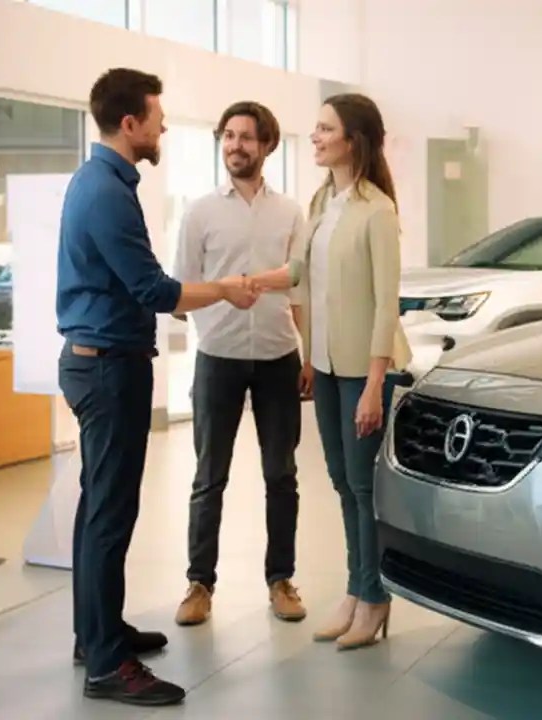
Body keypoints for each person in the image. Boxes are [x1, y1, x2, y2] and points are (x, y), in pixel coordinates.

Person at [57, 67, 259, 707]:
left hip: (100, 359)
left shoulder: (100, 180)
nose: (164, 125)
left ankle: (96, 635)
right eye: (156, 115)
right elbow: (154, 289)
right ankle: (107, 667)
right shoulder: (108, 192)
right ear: (129, 124)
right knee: (110, 515)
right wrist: (225, 290)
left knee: (99, 509)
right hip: (109, 366)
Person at [170, 101, 308, 627]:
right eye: (228, 136)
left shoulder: (290, 212)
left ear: (267, 145)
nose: (235, 146)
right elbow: (182, 293)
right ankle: (199, 583)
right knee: (209, 477)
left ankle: (281, 580)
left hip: (278, 356)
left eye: (246, 137)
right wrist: (218, 302)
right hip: (218, 360)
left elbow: (301, 287)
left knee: (283, 475)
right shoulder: (200, 211)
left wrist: (310, 353)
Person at [281, 93, 410, 651]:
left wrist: (376, 385)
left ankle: (375, 596)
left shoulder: (377, 210)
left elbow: (388, 304)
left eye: (324, 129)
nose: (314, 137)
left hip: (365, 370)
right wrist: (243, 286)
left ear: (351, 139)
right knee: (340, 482)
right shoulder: (319, 203)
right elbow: (300, 276)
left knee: (363, 486)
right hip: (329, 365)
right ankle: (356, 591)